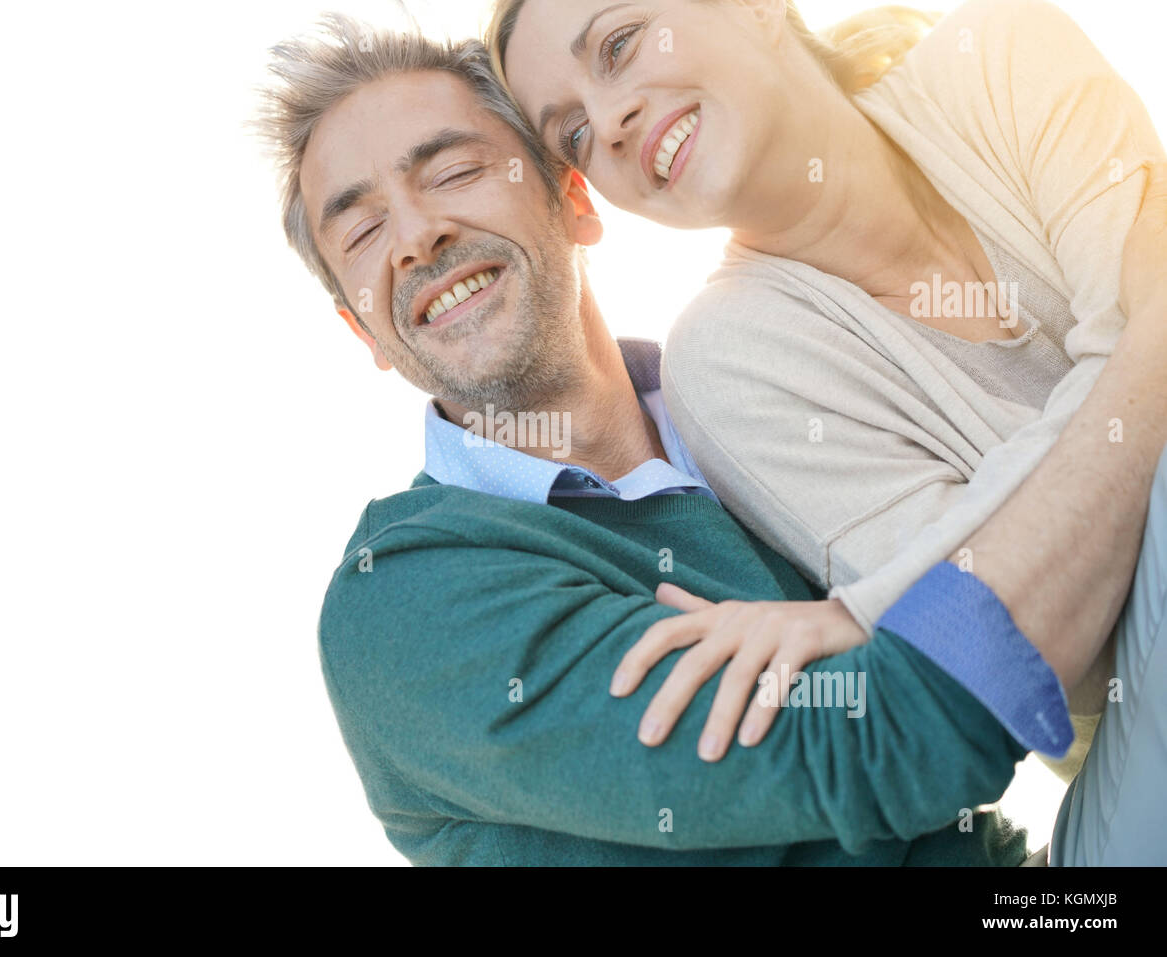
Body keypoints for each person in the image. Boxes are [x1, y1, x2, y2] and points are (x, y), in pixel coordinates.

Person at [260, 13, 1167, 865]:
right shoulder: (410, 597)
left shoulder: (756, 409)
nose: (416, 236)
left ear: (574, 199)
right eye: (364, 228)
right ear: (364, 332)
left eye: (452, 172)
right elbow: (887, 735)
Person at [488, 0, 1167, 785]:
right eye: (572, 134)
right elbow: (1037, 646)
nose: (608, 122)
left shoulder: (1000, 52)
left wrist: (881, 603)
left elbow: (973, 592)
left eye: (621, 44)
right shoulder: (725, 361)